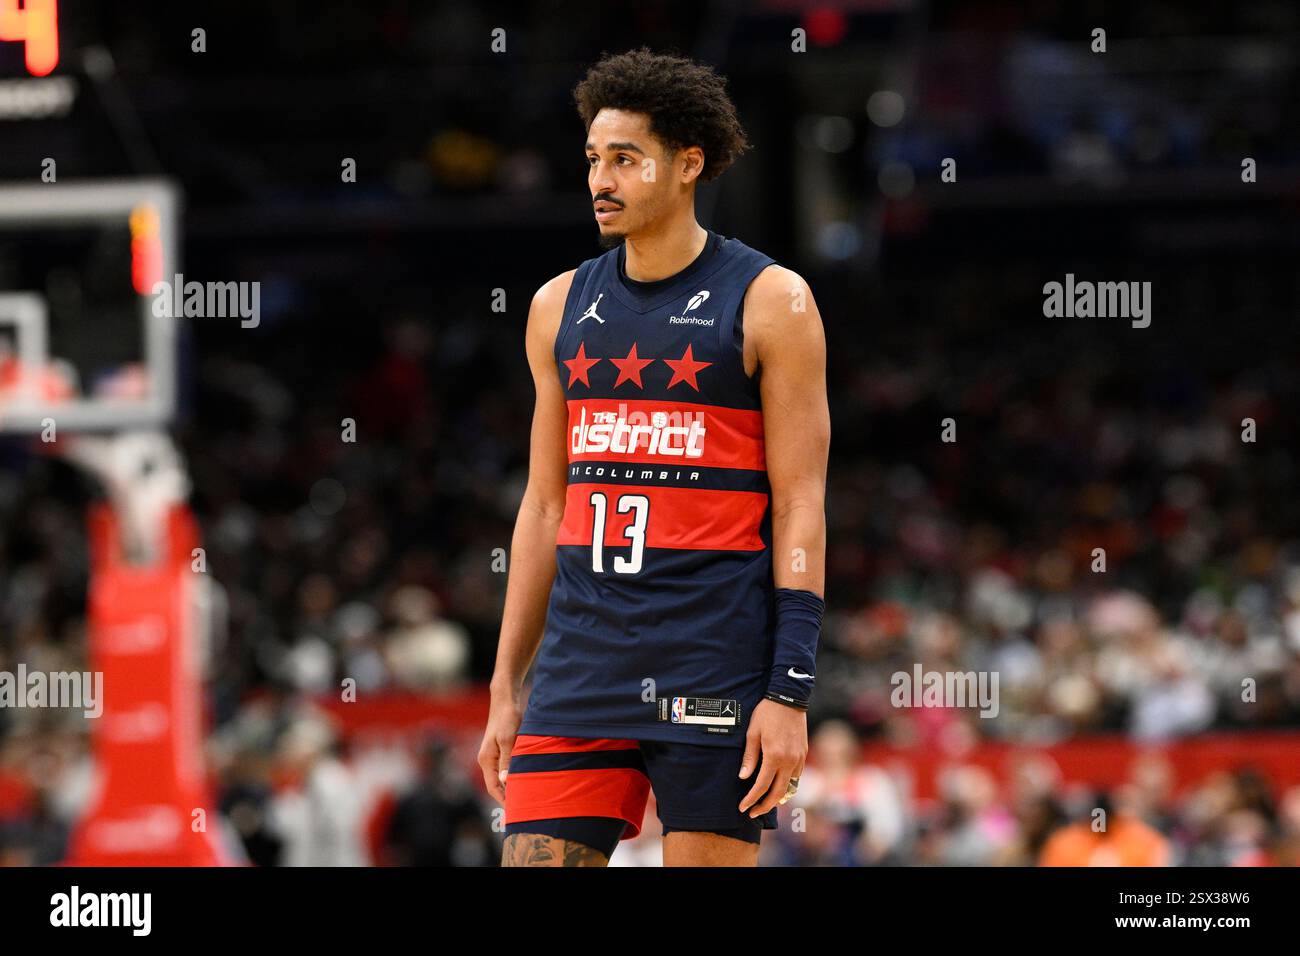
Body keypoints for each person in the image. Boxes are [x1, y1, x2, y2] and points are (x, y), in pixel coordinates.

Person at [477, 47, 830, 867]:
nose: (601, 178)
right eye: (594, 159)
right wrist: (505, 684)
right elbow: (541, 506)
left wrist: (790, 690)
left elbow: (801, 502)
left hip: (713, 666)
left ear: (687, 165)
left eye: (626, 160)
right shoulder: (556, 304)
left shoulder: (773, 300)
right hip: (580, 668)